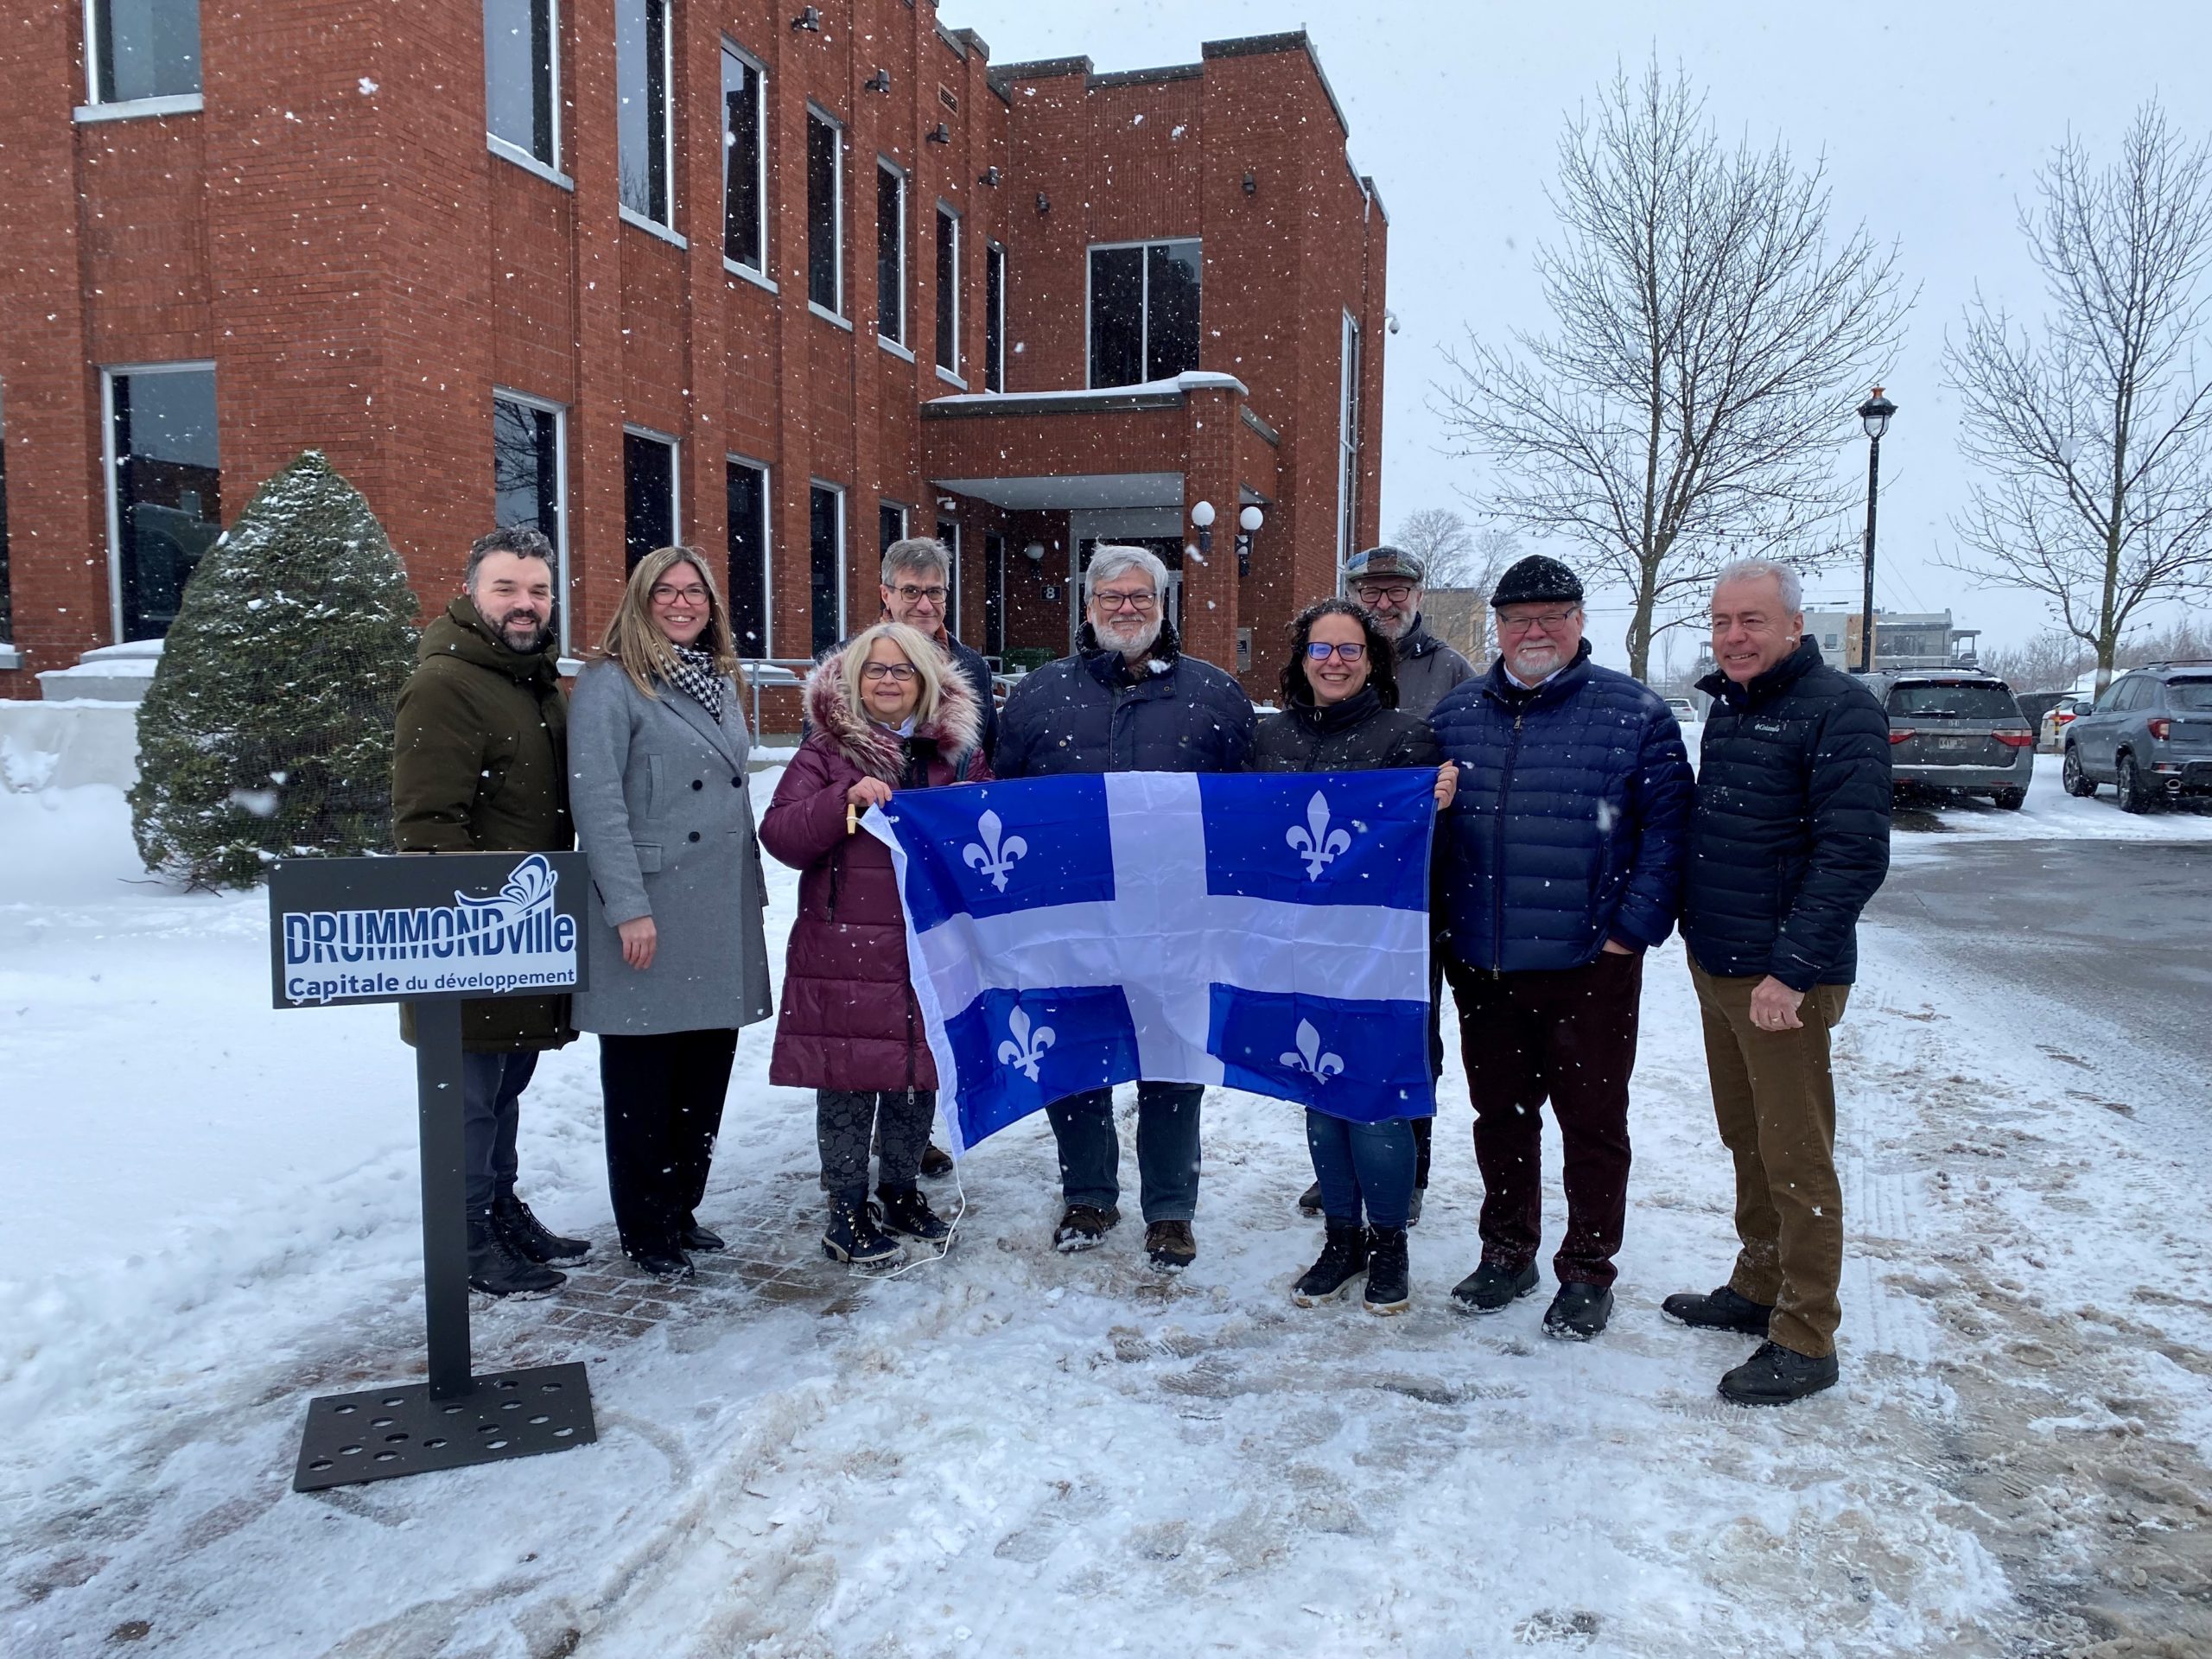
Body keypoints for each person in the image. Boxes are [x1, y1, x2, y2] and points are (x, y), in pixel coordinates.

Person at [1428, 555, 1693, 1340]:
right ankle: (1508, 1251)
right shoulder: (1457, 715)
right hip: (1485, 956)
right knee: (1500, 1117)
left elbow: (1669, 833)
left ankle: (1586, 1268)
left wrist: (1628, 933)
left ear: (1580, 621)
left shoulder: (1634, 714)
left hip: (1588, 963)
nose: (1534, 631)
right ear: (1497, 627)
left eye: (1551, 615)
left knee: (1592, 1122)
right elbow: (1428, 827)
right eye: (1517, 618)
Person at [994, 544, 1255, 1272]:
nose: (1126, 609)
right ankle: (1088, 1194)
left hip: (1177, 921)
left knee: (1172, 1066)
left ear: (1164, 605)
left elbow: (1246, 807)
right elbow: (1007, 799)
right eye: (1111, 597)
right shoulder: (1041, 695)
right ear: (1087, 607)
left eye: (1141, 597)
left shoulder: (1214, 695)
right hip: (1070, 920)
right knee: (1077, 1060)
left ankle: (1171, 1210)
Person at [1666, 559, 1891, 1405]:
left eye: (1752, 621)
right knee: (1748, 1140)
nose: (1733, 636)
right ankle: (1757, 1286)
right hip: (1721, 966)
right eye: (1722, 621)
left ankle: (1806, 1336)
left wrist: (1788, 973)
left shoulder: (1838, 711)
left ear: (1795, 627)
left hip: (1781, 984)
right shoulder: (1732, 709)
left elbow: (1852, 855)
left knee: (1796, 1156)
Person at [392, 524, 588, 1299]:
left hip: (526, 936)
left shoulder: (530, 679)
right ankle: (467, 1236)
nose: (525, 603)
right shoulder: (446, 683)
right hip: (470, 943)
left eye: (537, 589)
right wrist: (482, 927)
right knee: (468, 1101)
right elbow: (428, 826)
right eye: (507, 587)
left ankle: (501, 1210)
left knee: (504, 1091)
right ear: (472, 592)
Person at [569, 547, 773, 1281]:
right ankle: (645, 1227)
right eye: (667, 591)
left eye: (696, 592)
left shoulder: (719, 681)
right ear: (641, 600)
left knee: (702, 1071)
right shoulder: (610, 684)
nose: (683, 603)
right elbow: (598, 805)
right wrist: (626, 908)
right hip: (650, 906)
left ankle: (682, 1207)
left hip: (716, 902)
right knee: (643, 1076)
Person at [1249, 598, 1457, 1314]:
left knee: (1376, 1102)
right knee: (1318, 1089)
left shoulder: (1407, 739)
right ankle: (1342, 1238)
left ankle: (1389, 1243)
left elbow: (1422, 853)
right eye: (1320, 649)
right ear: (1300, 660)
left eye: (1348, 650)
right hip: (1295, 950)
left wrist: (1434, 801)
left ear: (1373, 661)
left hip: (1380, 953)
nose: (1333, 661)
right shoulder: (1268, 740)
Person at [760, 622, 987, 1269]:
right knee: (850, 1080)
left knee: (918, 1072)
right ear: (856, 680)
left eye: (902, 670)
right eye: (875, 670)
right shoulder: (826, 752)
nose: (888, 681)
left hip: (927, 943)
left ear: (924, 681)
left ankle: (900, 1187)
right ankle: (845, 1208)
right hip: (847, 948)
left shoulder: (955, 757)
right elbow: (780, 835)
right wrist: (842, 802)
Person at [876, 536, 993, 1178]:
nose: (924, 603)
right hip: (874, 860)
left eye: (936, 592)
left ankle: (912, 1133)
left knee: (931, 997)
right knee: (873, 1006)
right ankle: (863, 1131)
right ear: (886, 594)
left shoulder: (968, 665)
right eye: (911, 591)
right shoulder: (855, 662)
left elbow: (982, 753)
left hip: (944, 862)